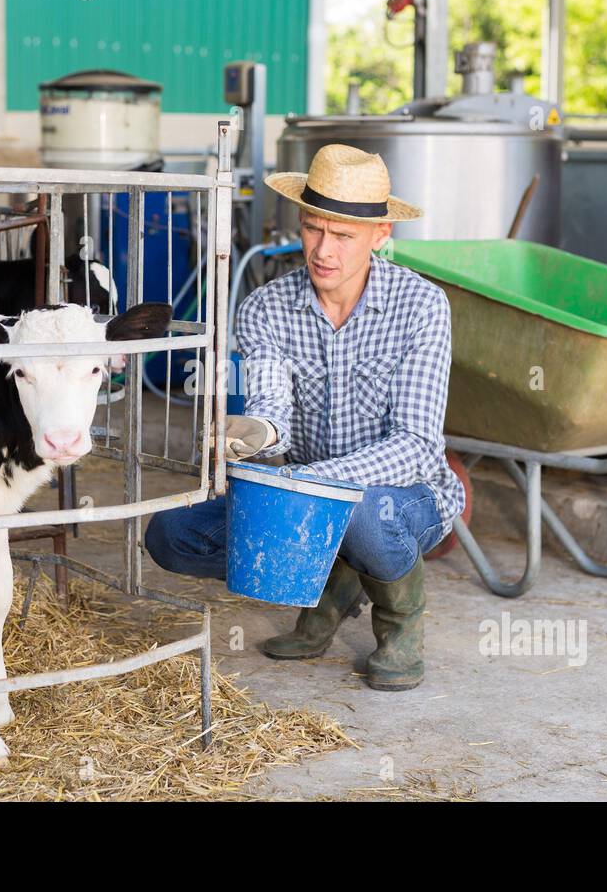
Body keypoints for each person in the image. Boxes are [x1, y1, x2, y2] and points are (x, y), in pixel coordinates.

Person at [144, 144, 465, 691]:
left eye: (343, 236)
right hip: (305, 491)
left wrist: (312, 485)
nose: (323, 250)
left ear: (381, 236)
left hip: (403, 494)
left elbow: (415, 445)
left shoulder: (422, 306)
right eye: (314, 229)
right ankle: (333, 578)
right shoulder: (265, 307)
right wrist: (256, 435)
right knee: (171, 536)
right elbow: (273, 414)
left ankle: (400, 623)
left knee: (363, 513)